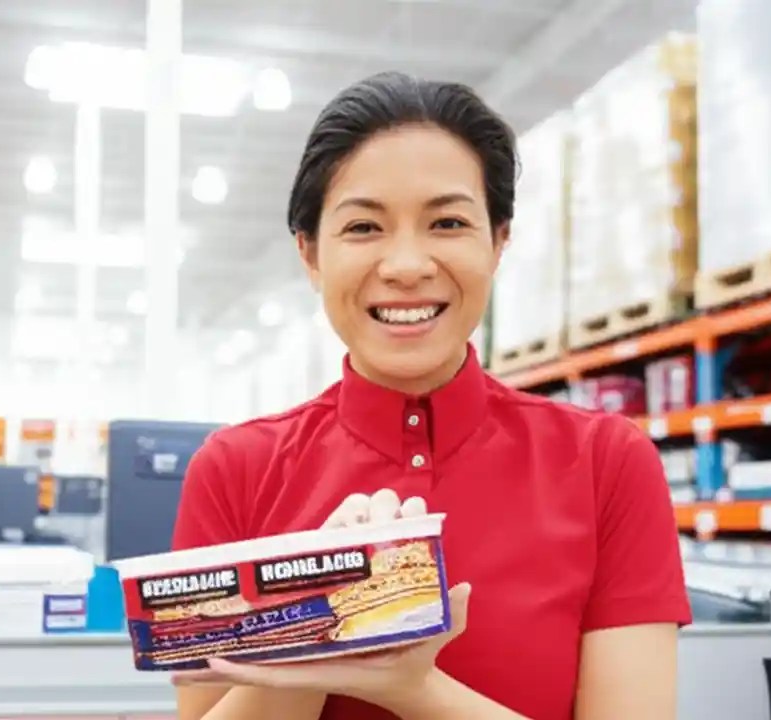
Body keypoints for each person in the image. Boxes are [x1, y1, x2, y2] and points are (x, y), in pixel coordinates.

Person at [170, 72, 691, 720]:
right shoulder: (234, 471)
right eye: (364, 228)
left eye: (447, 222)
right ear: (310, 254)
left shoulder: (606, 463)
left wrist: (412, 687)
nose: (408, 264)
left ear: (498, 241)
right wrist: (313, 616)